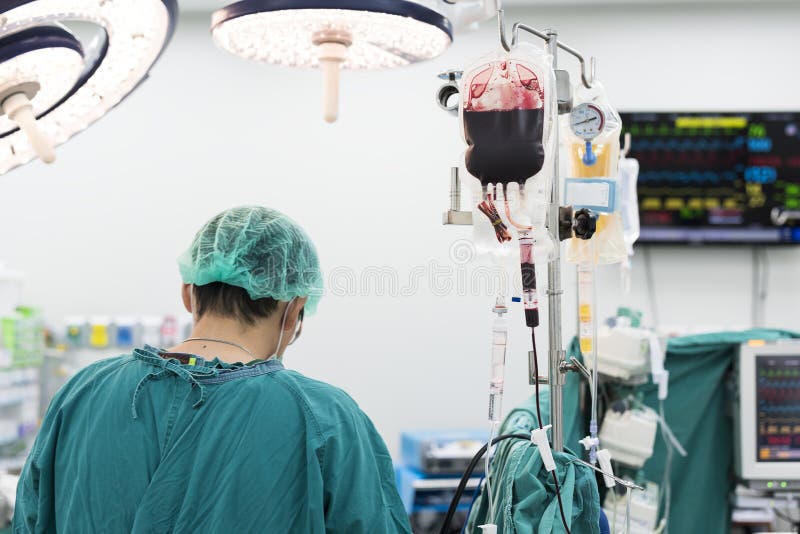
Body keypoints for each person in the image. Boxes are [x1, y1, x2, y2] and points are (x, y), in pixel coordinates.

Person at [13, 206, 412, 533]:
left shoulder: (82, 392)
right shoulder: (325, 419)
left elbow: (29, 520)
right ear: (294, 310)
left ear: (188, 293)